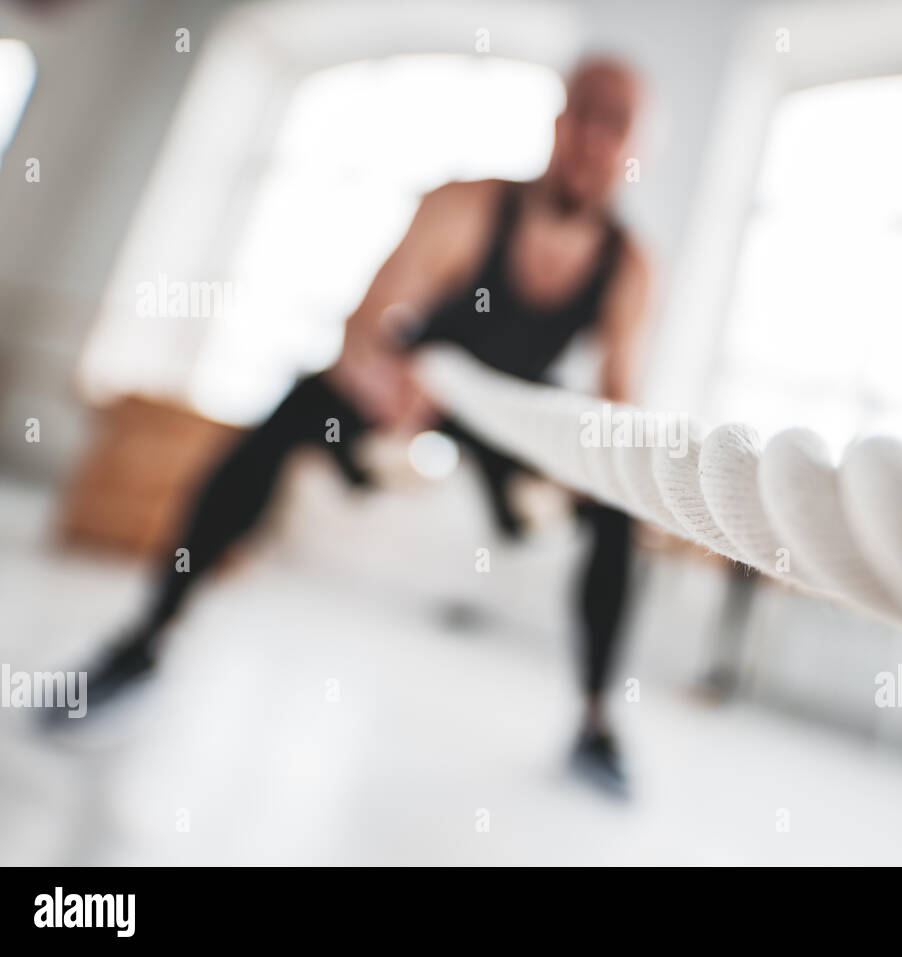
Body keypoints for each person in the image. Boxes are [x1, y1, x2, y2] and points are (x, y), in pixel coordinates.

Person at [67, 56, 651, 796]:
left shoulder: (629, 265)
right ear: (559, 120)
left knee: (618, 512)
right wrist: (374, 379)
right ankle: (146, 638)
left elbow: (617, 404)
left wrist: (583, 470)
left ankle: (596, 722)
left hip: (509, 418)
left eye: (617, 124)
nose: (595, 139)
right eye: (585, 115)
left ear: (638, 148)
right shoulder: (466, 204)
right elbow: (365, 324)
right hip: (404, 385)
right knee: (274, 429)